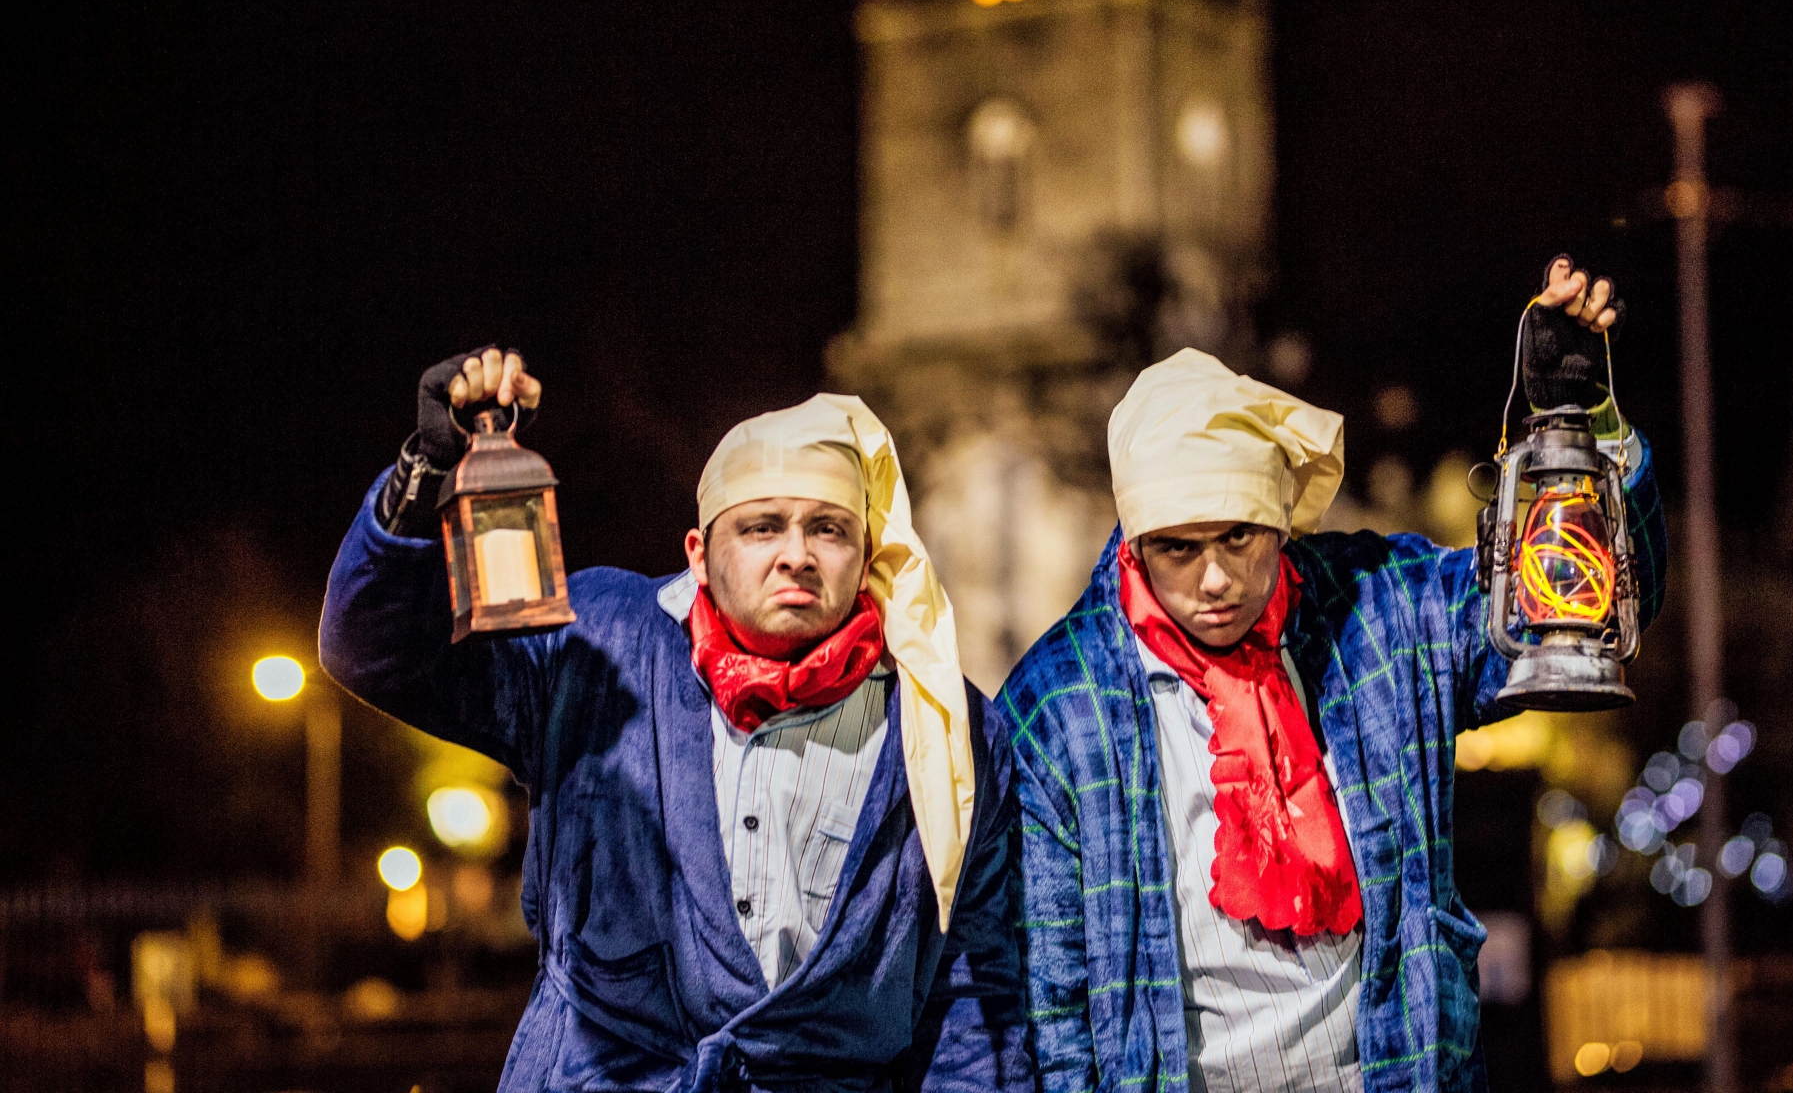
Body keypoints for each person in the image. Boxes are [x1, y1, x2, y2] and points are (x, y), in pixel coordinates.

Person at [997, 260, 1666, 1093]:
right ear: (1134, 544)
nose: (1214, 580)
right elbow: (1051, 1005)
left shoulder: (1378, 611)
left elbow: (1570, 612)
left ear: (1279, 520)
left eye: (1239, 538)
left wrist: (1579, 432)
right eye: (1179, 548)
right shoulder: (1057, 706)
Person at [320, 348, 1032, 1091]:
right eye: (761, 528)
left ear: (866, 552)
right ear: (699, 552)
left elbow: (973, 1000)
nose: (797, 555)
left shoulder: (945, 729)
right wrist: (428, 472)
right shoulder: (597, 644)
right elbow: (376, 651)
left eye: (828, 529)